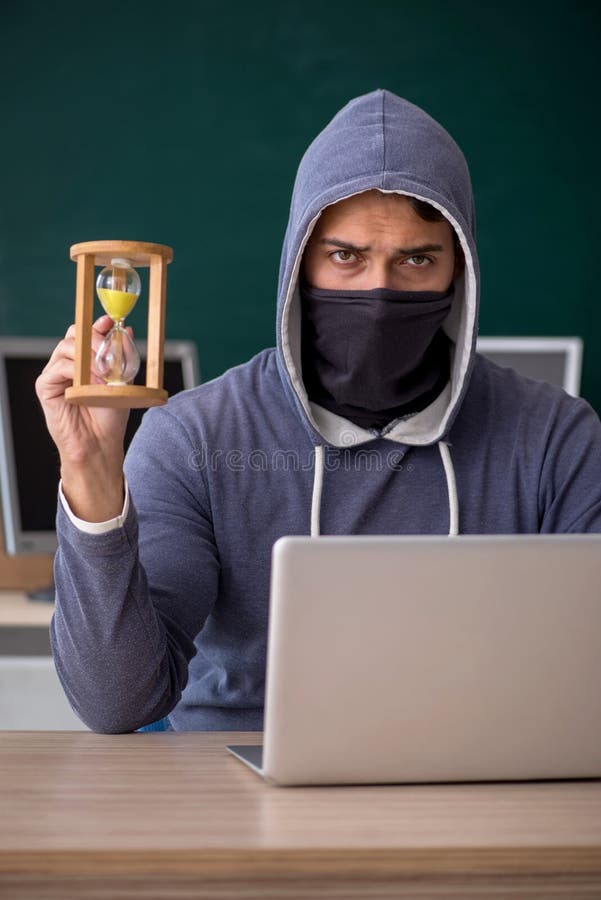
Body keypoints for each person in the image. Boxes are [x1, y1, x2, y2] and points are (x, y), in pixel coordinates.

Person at [36, 89, 601, 734]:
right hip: (236, 797)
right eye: (345, 256)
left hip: (480, 789)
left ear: (460, 273)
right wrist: (91, 474)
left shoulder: (558, 439)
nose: (379, 290)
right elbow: (117, 703)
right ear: (297, 264)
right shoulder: (195, 437)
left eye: (417, 259)